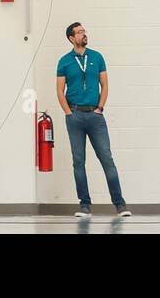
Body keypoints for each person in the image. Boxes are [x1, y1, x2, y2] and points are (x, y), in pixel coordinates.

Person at [56, 21, 131, 219]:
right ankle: (85, 205)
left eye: (84, 31)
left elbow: (104, 85)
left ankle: (120, 204)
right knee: (78, 162)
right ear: (72, 38)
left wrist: (100, 108)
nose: (84, 34)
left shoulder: (97, 57)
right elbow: (59, 90)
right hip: (75, 116)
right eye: (80, 32)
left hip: (95, 116)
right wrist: (68, 112)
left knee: (106, 158)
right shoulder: (64, 61)